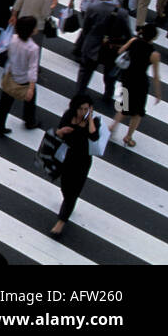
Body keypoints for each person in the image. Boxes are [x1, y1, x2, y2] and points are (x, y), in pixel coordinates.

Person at [48, 93, 100, 239]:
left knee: (73, 192)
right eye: (81, 109)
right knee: (65, 187)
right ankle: (68, 204)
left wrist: (89, 119)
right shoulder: (67, 116)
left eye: (87, 109)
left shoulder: (93, 122)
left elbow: (94, 136)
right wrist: (61, 132)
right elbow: (57, 133)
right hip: (67, 158)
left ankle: (61, 221)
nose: (83, 112)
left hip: (83, 162)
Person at [110, 24, 163, 148]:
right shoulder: (154, 54)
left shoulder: (134, 41)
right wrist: (158, 93)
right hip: (140, 83)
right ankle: (128, 137)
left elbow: (120, 51)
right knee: (137, 112)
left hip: (127, 78)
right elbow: (156, 76)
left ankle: (113, 127)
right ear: (154, 37)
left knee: (125, 105)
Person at [75, 0, 127, 106]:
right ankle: (108, 94)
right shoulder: (122, 13)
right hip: (111, 49)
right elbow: (127, 33)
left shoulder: (93, 8)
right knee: (109, 75)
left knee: (86, 72)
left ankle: (80, 94)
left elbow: (86, 28)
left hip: (92, 46)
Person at [0, 15, 40, 136]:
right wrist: (31, 88)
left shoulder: (13, 39)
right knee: (30, 102)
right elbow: (33, 69)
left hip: (11, 75)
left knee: (4, 105)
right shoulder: (33, 48)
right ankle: (29, 121)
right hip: (23, 80)